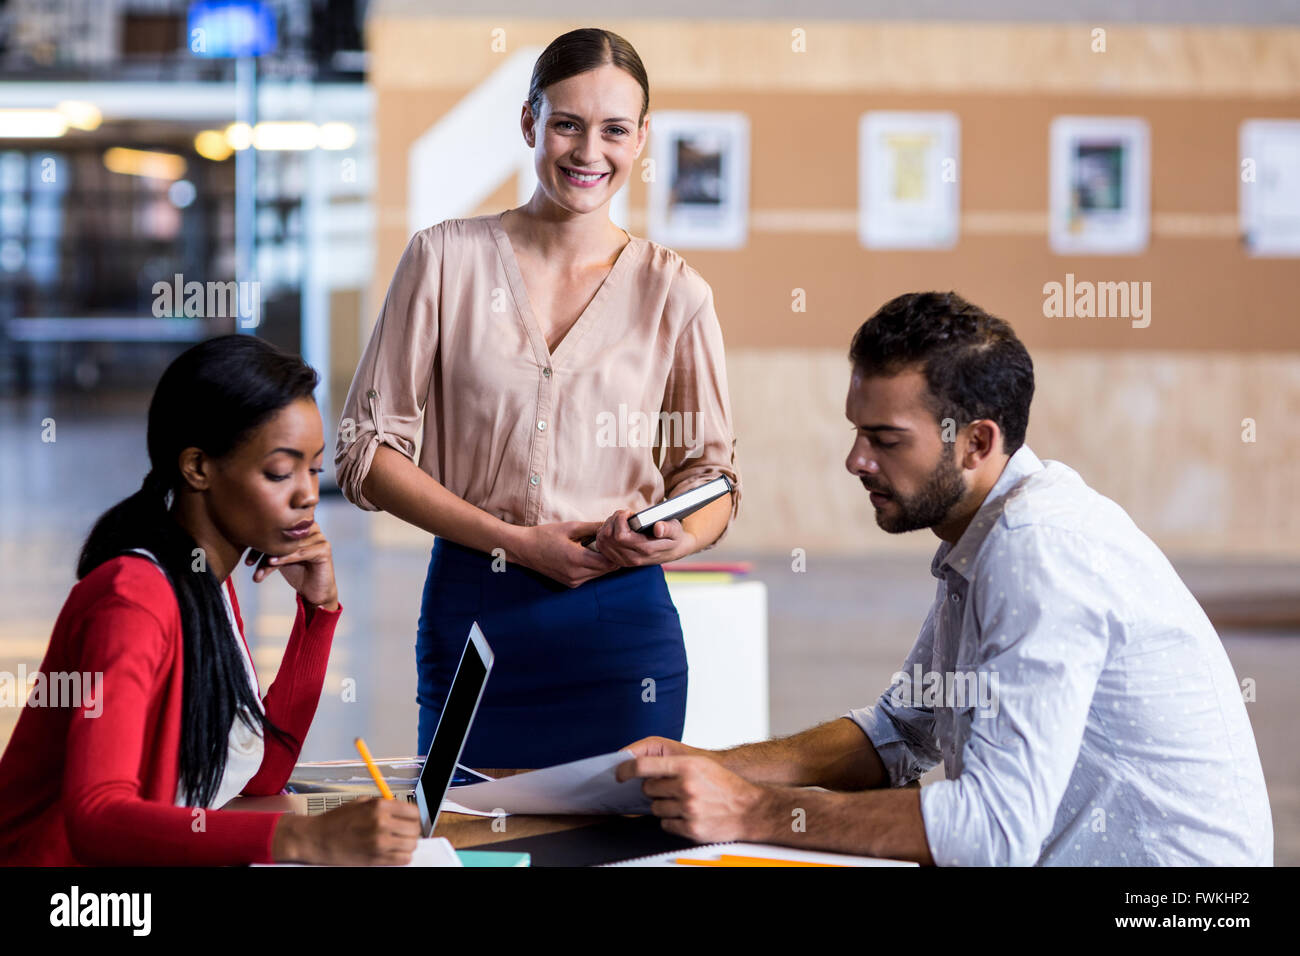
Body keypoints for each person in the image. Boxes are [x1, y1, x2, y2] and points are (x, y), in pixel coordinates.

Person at [617, 291, 1274, 866]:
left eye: (886, 439)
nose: (856, 460)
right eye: (856, 433)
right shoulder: (988, 537)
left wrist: (754, 811)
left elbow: (993, 832)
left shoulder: (1038, 551)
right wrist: (709, 768)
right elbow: (900, 732)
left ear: (977, 443)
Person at [335, 27, 741, 769]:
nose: (590, 152)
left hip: (621, 628)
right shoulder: (443, 260)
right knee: (461, 833)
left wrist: (674, 537)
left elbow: (712, 479)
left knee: (618, 848)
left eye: (615, 130)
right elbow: (365, 453)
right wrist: (517, 543)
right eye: (567, 124)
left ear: (642, 138)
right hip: (476, 612)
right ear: (530, 123)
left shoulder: (674, 292)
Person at [0, 335, 421, 865]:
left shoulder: (208, 580)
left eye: (313, 469)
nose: (308, 494)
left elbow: (256, 774)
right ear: (197, 467)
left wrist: (318, 614)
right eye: (279, 472)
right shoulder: (132, 601)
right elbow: (97, 817)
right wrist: (303, 838)